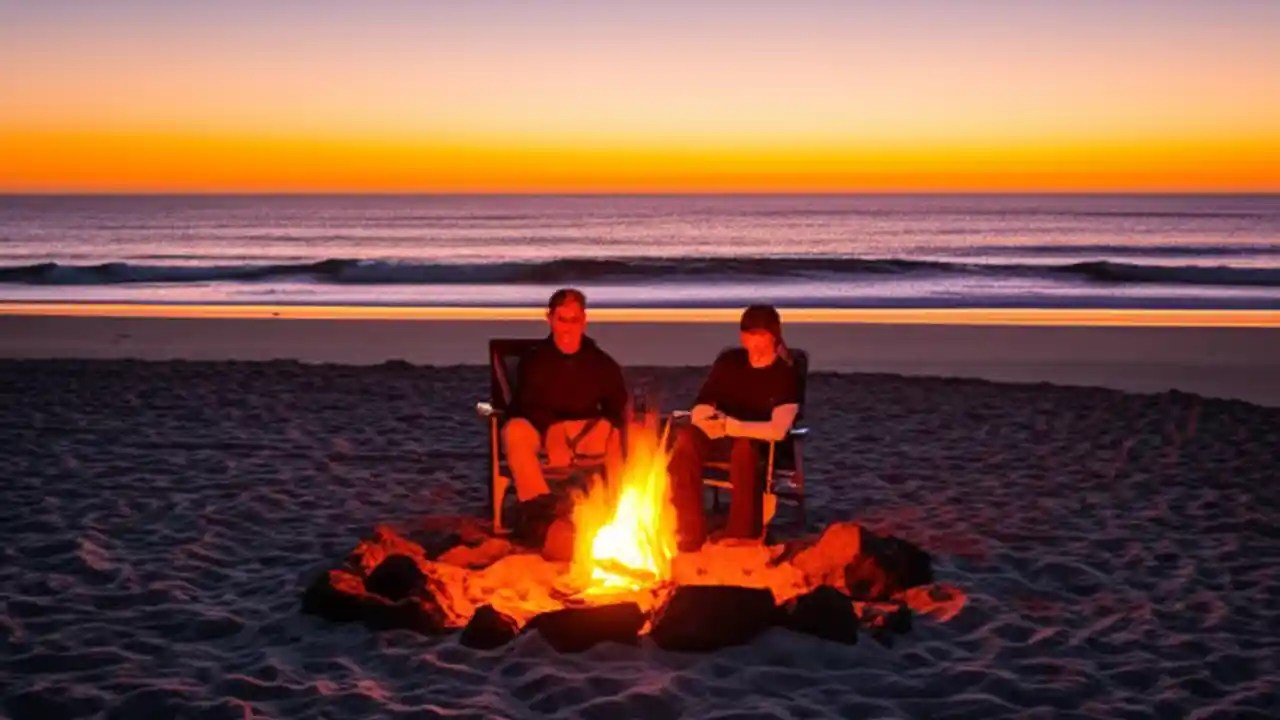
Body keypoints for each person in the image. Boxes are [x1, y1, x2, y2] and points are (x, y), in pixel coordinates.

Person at [668, 304, 800, 551]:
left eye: (762, 336)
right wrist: (708, 419)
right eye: (751, 335)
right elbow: (702, 404)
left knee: (743, 447)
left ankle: (741, 534)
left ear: (774, 337)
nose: (756, 343)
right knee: (685, 437)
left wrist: (734, 427)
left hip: (761, 445)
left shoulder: (785, 374)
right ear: (742, 337)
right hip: (721, 435)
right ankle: (689, 531)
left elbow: (778, 429)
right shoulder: (730, 362)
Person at [502, 288, 627, 544]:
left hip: (585, 430)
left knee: (623, 434)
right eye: (562, 320)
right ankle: (540, 514)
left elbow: (617, 407)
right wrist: (554, 431)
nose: (568, 328)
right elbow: (527, 405)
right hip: (539, 427)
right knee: (514, 432)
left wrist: (606, 426)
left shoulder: (601, 363)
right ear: (549, 319)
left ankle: (617, 514)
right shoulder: (535, 359)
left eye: (574, 320)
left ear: (584, 321)